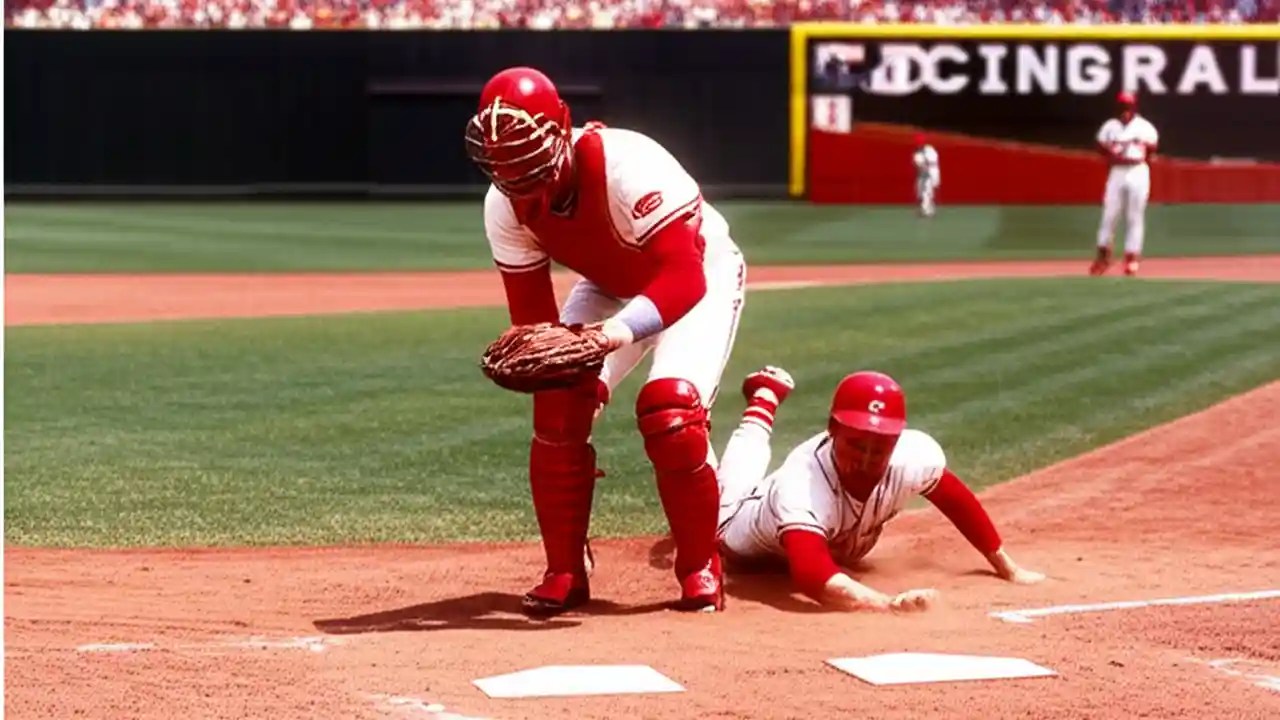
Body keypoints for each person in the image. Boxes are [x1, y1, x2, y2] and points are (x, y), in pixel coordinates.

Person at [466, 66, 747, 616]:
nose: (520, 179)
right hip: (611, 285)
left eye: (528, 158)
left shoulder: (629, 163)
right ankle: (565, 570)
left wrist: (608, 336)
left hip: (699, 276)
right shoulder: (504, 205)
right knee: (558, 404)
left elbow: (683, 278)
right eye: (505, 164)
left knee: (671, 413)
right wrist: (547, 361)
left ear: (562, 129)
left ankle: (698, 566)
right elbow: (534, 320)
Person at [714, 366, 1045, 612]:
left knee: (832, 549)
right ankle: (763, 400)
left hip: (824, 541)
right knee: (723, 512)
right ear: (832, 429)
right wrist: (887, 605)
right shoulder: (802, 483)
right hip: (743, 535)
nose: (867, 458)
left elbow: (957, 501)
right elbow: (811, 574)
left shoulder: (912, 456)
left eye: (880, 447)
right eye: (857, 445)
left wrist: (1008, 568)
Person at [1091, 91, 1159, 277]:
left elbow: (1152, 150)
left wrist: (1132, 156)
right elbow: (1100, 146)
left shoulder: (1145, 127)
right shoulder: (1110, 127)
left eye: (1128, 106)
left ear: (1134, 106)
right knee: (1109, 215)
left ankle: (1131, 259)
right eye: (1122, 105)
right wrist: (1112, 155)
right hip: (1117, 172)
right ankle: (1103, 256)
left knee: (1134, 216)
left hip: (1137, 170)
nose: (1125, 109)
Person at [912, 133, 941, 218]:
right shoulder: (918, 153)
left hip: (931, 172)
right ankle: (927, 209)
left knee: (927, 191)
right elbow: (920, 166)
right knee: (922, 191)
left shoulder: (929, 150)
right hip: (926, 172)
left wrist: (926, 173)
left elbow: (930, 163)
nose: (919, 145)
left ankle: (927, 211)